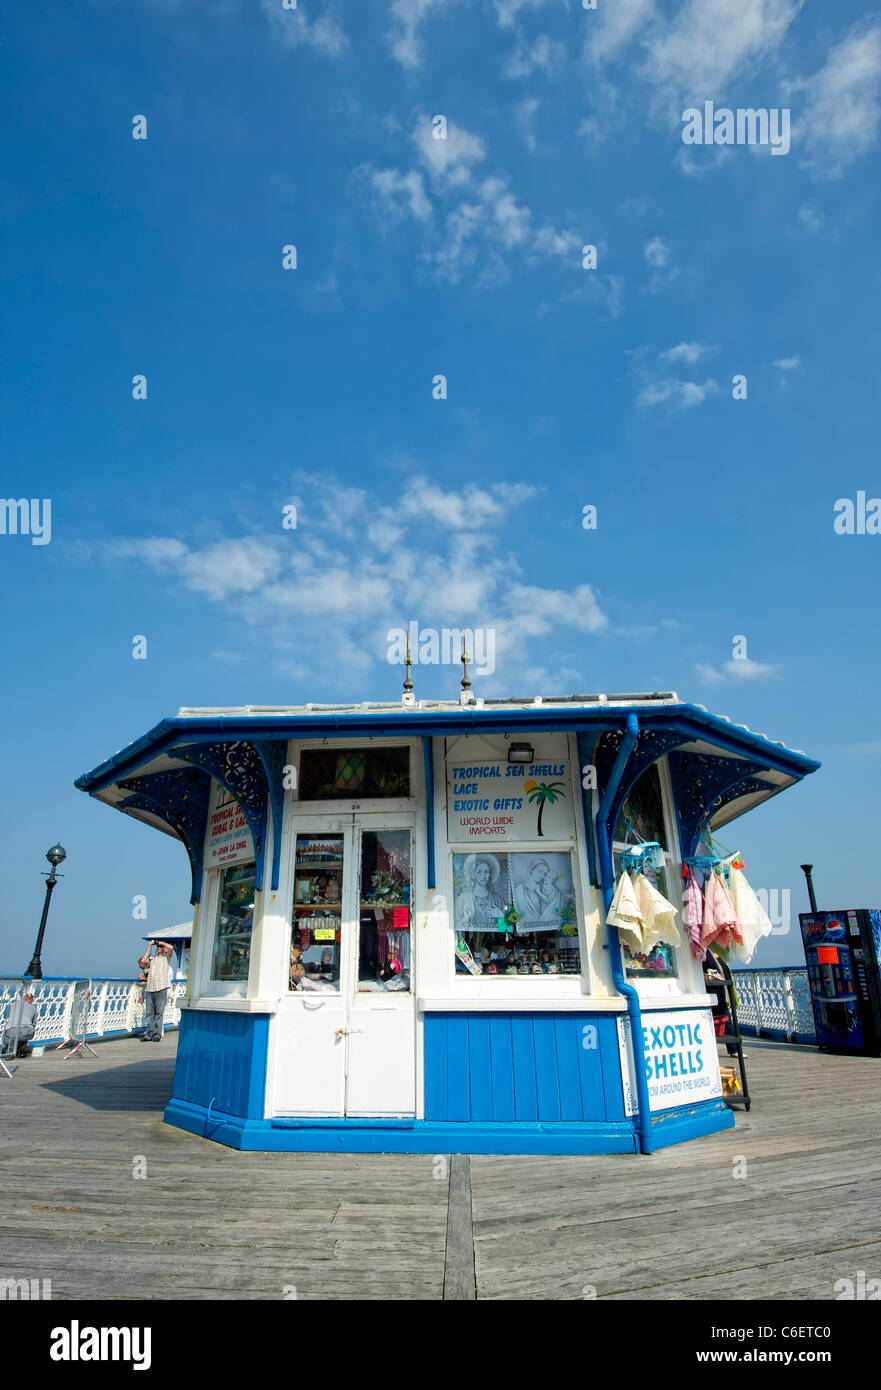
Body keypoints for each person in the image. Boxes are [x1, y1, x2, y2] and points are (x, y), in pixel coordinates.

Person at [137, 941, 174, 1041]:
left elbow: (171, 947)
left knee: (159, 1012)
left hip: (161, 987)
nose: (158, 948)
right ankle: (150, 1033)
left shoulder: (166, 958)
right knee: (149, 1013)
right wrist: (149, 947)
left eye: (160, 947)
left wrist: (160, 942)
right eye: (158, 947)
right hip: (150, 988)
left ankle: (157, 1034)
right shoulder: (152, 959)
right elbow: (143, 961)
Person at [2, 991, 37, 1057]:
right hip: (29, 1033)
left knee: (9, 1033)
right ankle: (22, 1052)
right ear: (31, 1000)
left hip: (13, 1032)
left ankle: (7, 1050)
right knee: (26, 1031)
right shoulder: (34, 1008)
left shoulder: (13, 1005)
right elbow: (34, 1024)